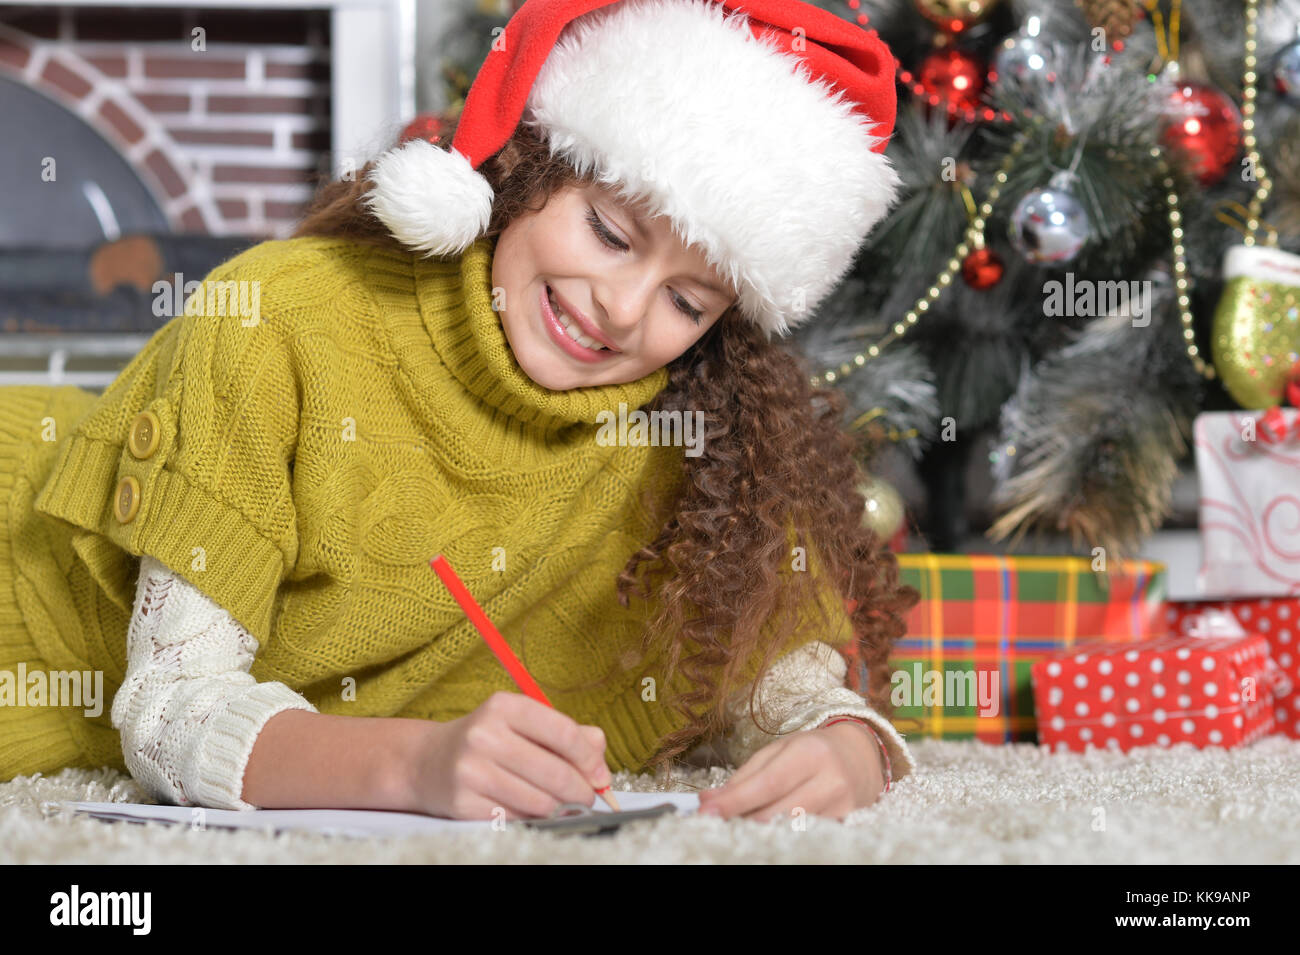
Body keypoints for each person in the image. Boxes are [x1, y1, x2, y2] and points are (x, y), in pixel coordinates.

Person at [0, 0, 919, 823]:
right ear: (523, 170)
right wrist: (418, 762)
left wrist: (848, 748)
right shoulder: (275, 318)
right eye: (607, 232)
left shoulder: (696, 452)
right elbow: (169, 712)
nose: (625, 309)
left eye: (689, 301)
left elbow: (797, 687)